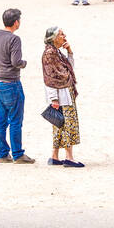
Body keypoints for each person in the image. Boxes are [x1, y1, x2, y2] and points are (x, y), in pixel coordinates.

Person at [0, 8, 34, 163]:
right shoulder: (14, 39)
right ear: (16, 22)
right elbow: (16, 62)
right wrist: (24, 64)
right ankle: (18, 154)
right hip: (11, 83)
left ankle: (2, 154)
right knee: (15, 120)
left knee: (0, 120)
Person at [42, 26, 83, 168]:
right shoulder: (50, 54)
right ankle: (69, 157)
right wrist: (53, 99)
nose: (64, 36)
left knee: (59, 126)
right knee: (67, 125)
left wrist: (70, 51)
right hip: (61, 95)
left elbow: (69, 68)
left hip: (64, 93)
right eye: (61, 34)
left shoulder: (56, 52)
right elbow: (50, 77)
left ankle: (55, 156)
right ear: (54, 38)